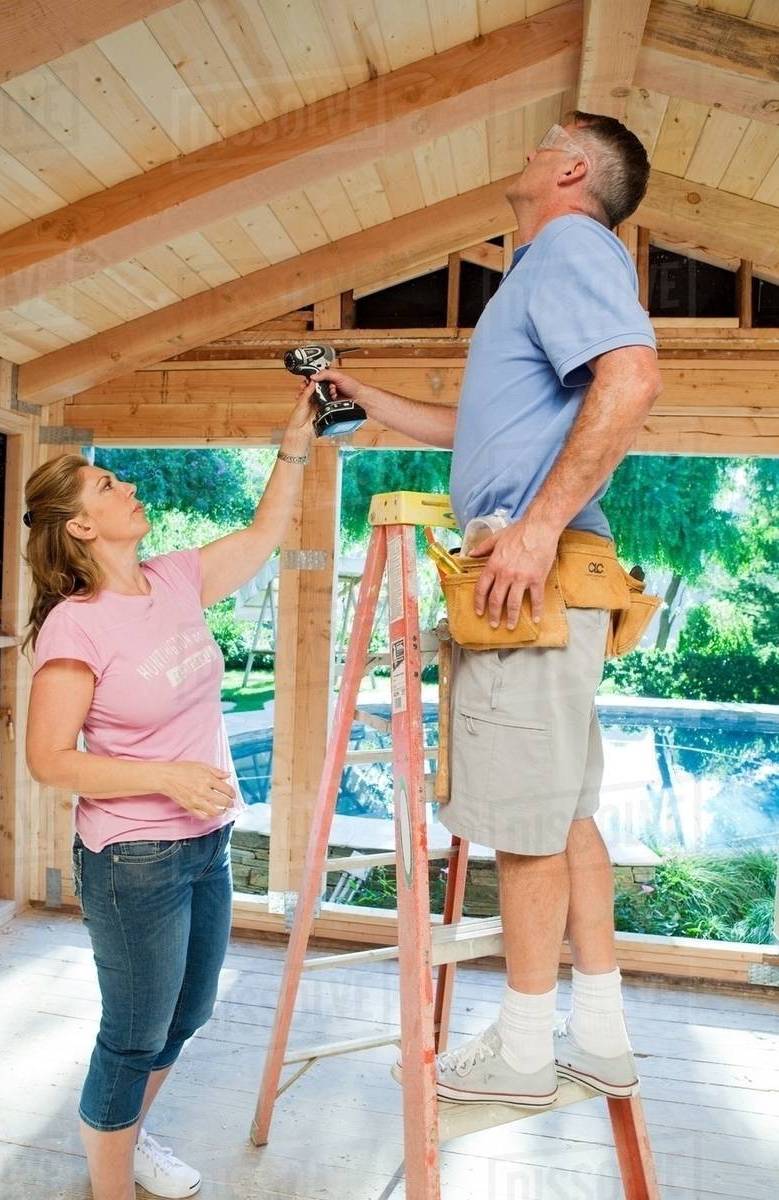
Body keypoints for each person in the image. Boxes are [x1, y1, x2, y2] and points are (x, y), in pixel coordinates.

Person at [310, 113, 663, 1105]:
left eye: (539, 140)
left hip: (531, 579)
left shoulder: (566, 248)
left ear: (569, 168)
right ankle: (595, 1034)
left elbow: (630, 379)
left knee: (523, 830)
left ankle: (516, 1052)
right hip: (551, 577)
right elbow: (473, 426)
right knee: (565, 816)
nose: (520, 151)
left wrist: (535, 526)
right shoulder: (538, 279)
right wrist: (364, 398)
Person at [24, 388, 316, 1199]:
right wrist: (166, 777)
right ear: (80, 526)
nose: (128, 489)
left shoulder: (175, 579)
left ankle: (129, 1139)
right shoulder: (75, 625)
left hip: (205, 844)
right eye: (107, 488)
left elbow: (264, 534)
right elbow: (48, 758)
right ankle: (109, 1183)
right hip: (134, 859)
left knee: (186, 1018)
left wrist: (295, 441)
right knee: (132, 1035)